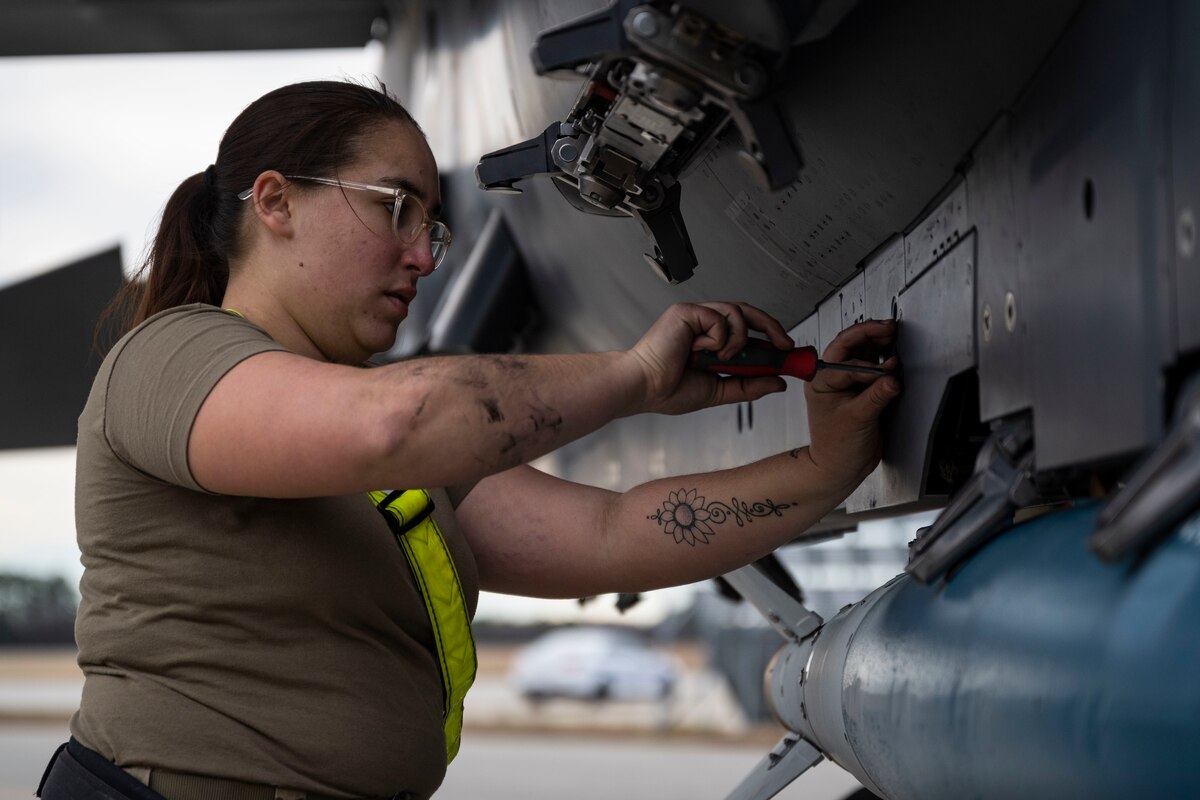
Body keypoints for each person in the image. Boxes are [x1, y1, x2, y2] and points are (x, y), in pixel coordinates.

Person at [37, 80, 900, 800]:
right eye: (395, 209)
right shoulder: (174, 357)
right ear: (275, 203)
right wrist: (635, 377)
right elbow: (400, 421)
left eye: (432, 225)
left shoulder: (387, 456)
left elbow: (614, 534)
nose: (424, 255)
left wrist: (825, 464)